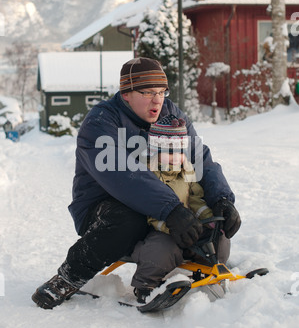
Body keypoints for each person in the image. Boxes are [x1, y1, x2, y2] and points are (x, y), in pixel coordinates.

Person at [32, 57, 241, 309]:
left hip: (164, 204)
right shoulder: (101, 122)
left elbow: (199, 159)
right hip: (104, 210)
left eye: (162, 92)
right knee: (129, 219)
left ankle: (197, 256)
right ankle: (67, 278)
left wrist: (222, 199)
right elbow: (122, 176)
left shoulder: (171, 115)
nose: (157, 100)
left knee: (204, 204)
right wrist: (170, 208)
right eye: (148, 92)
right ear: (126, 93)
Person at [131, 114, 220, 303]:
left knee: (218, 239)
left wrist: (208, 217)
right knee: (160, 251)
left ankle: (207, 266)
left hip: (188, 226)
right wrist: (169, 227)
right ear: (155, 151)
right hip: (160, 229)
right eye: (169, 152)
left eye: (180, 152)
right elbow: (148, 208)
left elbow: (195, 198)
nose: (175, 157)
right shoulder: (148, 175)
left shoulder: (186, 170)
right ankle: (145, 285)